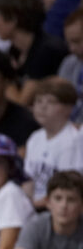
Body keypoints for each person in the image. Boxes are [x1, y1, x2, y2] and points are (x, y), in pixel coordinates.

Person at [0, 0, 68, 104]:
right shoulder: (15, 50)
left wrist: (5, 78)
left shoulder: (46, 51)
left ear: (13, 19)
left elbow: (21, 103)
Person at [23, 79, 83, 209]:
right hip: (36, 206)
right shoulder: (35, 138)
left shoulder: (74, 139)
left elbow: (68, 188)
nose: (42, 107)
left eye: (51, 101)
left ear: (69, 108)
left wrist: (36, 205)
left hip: (62, 208)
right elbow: (28, 181)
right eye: (38, 101)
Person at [14, 171, 83, 249]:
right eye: (58, 198)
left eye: (71, 199)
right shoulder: (35, 225)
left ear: (82, 206)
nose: (63, 206)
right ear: (47, 202)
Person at [57, 8, 83, 124]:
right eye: (69, 43)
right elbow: (59, 98)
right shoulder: (69, 63)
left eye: (76, 41)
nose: (71, 49)